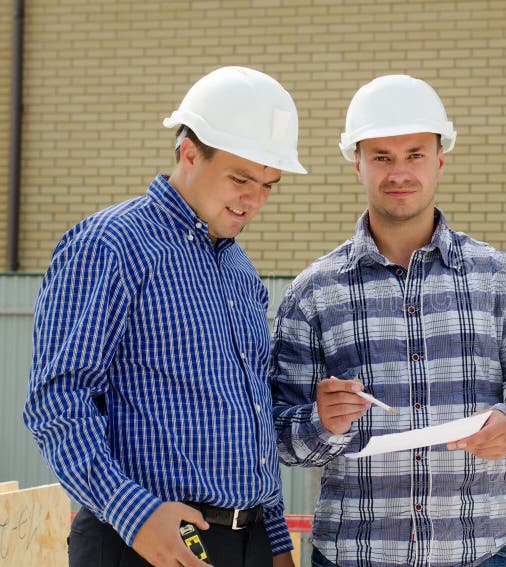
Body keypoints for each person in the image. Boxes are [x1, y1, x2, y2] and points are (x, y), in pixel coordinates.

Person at [268, 74, 506, 567]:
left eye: (414, 155)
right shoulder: (313, 293)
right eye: (382, 157)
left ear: (440, 160)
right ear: (358, 164)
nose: (399, 173)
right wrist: (322, 424)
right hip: (354, 556)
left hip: (480, 552)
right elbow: (280, 434)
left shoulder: (499, 278)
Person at [24, 66, 306, 567]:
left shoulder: (239, 267)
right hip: (144, 542)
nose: (254, 200)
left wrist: (276, 539)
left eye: (269, 184)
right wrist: (133, 514)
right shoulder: (110, 245)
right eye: (241, 179)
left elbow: (253, 413)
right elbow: (57, 400)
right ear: (189, 152)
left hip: (251, 541)